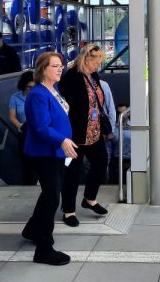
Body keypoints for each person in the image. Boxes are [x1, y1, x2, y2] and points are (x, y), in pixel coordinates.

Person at [22, 51, 78, 266]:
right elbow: (40, 127)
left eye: (61, 65)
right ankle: (44, 249)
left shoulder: (53, 89)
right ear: (43, 69)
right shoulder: (38, 94)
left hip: (56, 153)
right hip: (45, 153)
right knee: (52, 198)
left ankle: (31, 230)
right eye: (55, 66)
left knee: (49, 194)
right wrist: (62, 140)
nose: (60, 68)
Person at [59, 43, 109, 226]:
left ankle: (89, 198)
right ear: (87, 59)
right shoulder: (71, 77)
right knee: (73, 172)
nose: (99, 65)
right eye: (97, 61)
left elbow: (97, 102)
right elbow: (66, 102)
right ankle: (69, 211)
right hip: (76, 134)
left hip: (94, 132)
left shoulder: (93, 75)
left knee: (101, 163)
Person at [9, 70, 36, 185]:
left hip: (38, 132)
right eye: (29, 87)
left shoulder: (38, 96)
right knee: (26, 161)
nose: (31, 90)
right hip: (24, 132)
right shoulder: (15, 98)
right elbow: (12, 117)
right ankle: (28, 183)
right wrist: (20, 125)